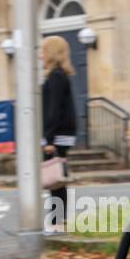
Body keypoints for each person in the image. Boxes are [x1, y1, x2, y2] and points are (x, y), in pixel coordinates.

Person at [40, 36, 78, 232]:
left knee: (54, 181)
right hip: (61, 134)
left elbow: (53, 109)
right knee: (56, 180)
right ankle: (58, 221)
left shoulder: (55, 77)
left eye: (43, 50)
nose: (40, 54)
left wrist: (48, 138)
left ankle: (57, 223)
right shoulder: (60, 75)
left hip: (56, 135)